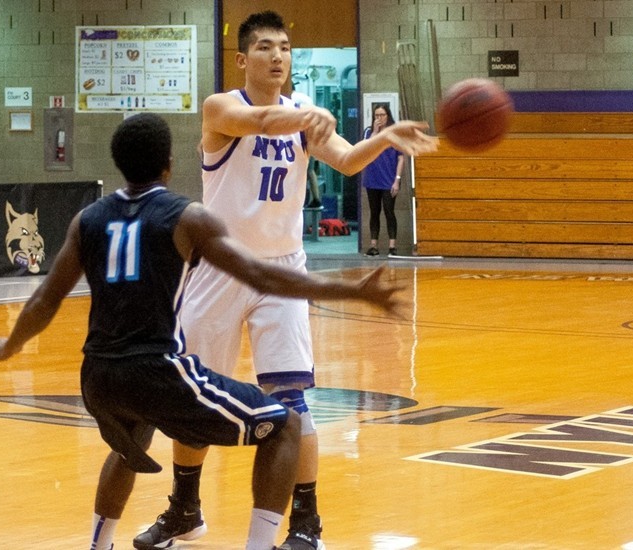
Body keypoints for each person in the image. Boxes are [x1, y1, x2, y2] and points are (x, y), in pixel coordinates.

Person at [0, 114, 413, 550]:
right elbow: (262, 278)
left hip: (97, 377)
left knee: (132, 439)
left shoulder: (88, 219)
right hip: (157, 371)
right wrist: (352, 290)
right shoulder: (185, 217)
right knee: (285, 426)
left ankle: (102, 544)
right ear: (168, 163)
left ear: (118, 162)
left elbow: (44, 300)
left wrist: (9, 345)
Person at [134, 11, 438, 550]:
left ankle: (306, 525)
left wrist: (385, 136)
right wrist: (309, 116)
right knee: (191, 399)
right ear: (243, 59)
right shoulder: (222, 107)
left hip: (282, 272)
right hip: (218, 271)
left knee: (292, 402)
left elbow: (344, 161)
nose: (279, 56)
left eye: (286, 48)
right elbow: (261, 124)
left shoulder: (304, 115)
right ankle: (185, 508)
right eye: (267, 47)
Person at [362, 103, 407, 257]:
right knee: (374, 212)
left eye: (382, 115)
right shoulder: (369, 132)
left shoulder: (395, 134)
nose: (379, 118)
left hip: (388, 180)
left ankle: (392, 246)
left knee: (389, 211)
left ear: (388, 116)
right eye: (376, 115)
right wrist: (375, 132)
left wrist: (397, 180)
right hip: (372, 179)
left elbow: (401, 158)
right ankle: (373, 245)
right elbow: (364, 149)